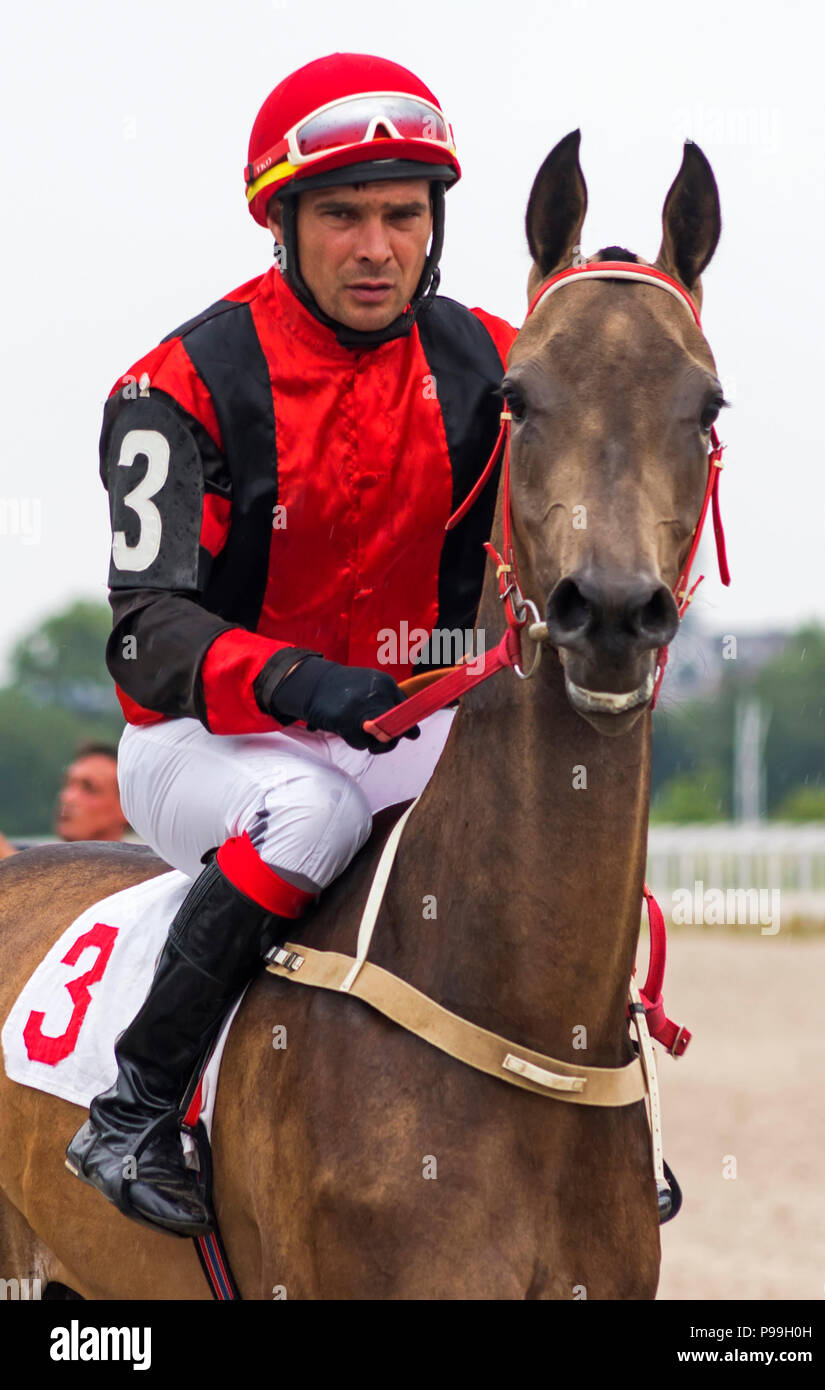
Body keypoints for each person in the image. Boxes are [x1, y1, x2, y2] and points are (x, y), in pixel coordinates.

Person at [66, 52, 516, 1238]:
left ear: (433, 225)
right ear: (283, 222)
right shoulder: (179, 383)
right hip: (207, 750)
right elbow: (146, 634)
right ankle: (134, 1107)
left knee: (552, 817)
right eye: (344, 215)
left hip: (407, 727)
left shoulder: (494, 364)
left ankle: (593, 1116)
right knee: (308, 816)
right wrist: (312, 687)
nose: (377, 247)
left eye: (402, 216)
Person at [0, 742, 129, 857]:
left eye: (89, 788)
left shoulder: (140, 878)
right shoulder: (32, 854)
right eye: (68, 784)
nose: (67, 797)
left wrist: (9, 864)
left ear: (127, 808)